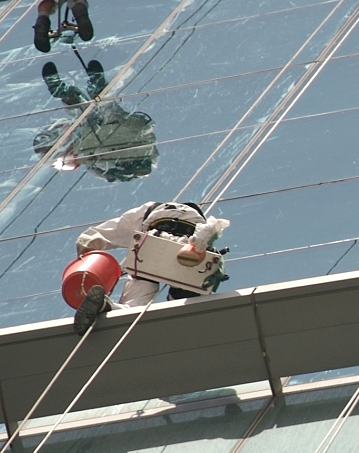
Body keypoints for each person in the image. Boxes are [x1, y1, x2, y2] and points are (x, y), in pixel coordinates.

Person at [70, 200, 227, 334]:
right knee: (183, 301)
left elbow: (106, 232)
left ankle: (107, 307)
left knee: (135, 302)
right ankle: (180, 315)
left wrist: (85, 253)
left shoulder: (150, 208)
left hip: (152, 241)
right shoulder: (203, 223)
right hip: (187, 247)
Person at [33, 61, 158, 183]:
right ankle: (97, 90)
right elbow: (133, 169)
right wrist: (130, 167)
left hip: (115, 135)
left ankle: (66, 91)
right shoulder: (94, 160)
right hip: (125, 137)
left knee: (89, 117)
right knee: (104, 113)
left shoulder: (86, 145)